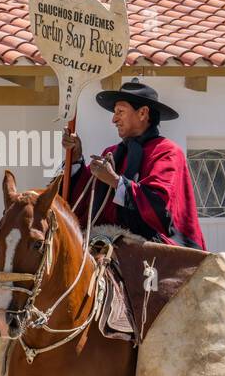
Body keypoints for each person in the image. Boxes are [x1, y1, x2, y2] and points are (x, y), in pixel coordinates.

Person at [61, 79, 206, 249]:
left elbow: (159, 205)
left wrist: (115, 181)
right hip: (105, 243)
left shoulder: (167, 152)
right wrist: (76, 157)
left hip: (155, 248)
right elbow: (84, 197)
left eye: (120, 112)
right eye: (115, 112)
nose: (114, 119)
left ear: (143, 113)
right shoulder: (112, 152)